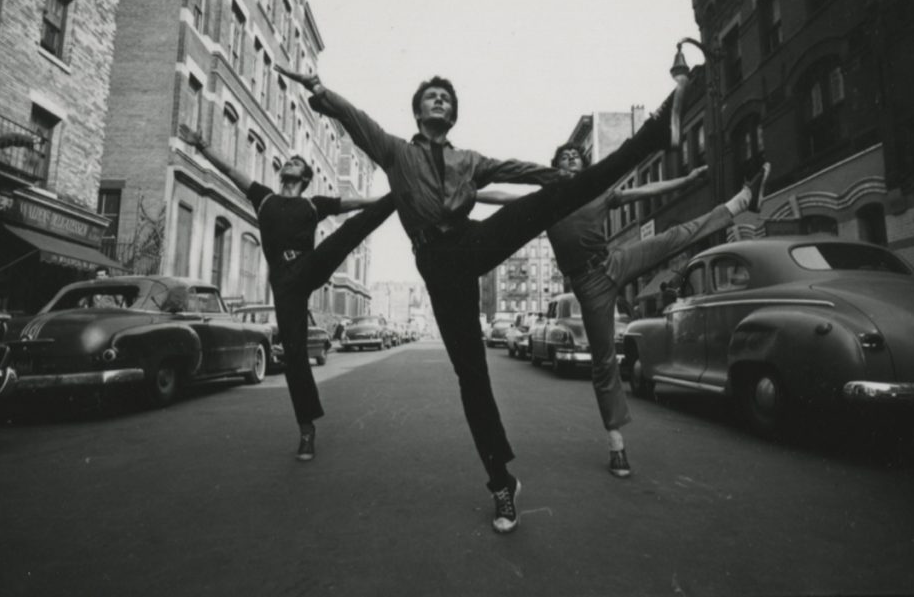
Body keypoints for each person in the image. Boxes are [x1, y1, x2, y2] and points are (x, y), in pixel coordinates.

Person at [276, 64, 679, 534]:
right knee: (472, 376)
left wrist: (560, 180)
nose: (440, 100)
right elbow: (356, 118)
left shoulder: (469, 159)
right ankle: (501, 482)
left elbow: (518, 169)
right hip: (439, 266)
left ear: (454, 113)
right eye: (432, 96)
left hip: (473, 242)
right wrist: (321, 91)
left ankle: (653, 134)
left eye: (446, 96)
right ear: (419, 109)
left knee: (552, 198)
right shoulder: (395, 152)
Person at [481, 155, 770, 478]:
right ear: (556, 167)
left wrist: (686, 181)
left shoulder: (600, 192)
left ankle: (743, 200)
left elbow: (645, 191)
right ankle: (616, 444)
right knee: (604, 360)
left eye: (577, 157)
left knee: (674, 237)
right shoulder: (548, 199)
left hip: (614, 262)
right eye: (565, 157)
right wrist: (468, 194)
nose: (571, 160)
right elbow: (506, 198)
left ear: (584, 167)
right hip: (589, 284)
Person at [180, 124, 395, 462]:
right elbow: (232, 171)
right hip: (284, 283)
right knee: (295, 355)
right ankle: (306, 429)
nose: (292, 162)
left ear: (305, 176)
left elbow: (350, 202)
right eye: (290, 160)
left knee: (351, 231)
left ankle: (401, 196)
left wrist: (385, 199)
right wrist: (202, 145)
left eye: (297, 161)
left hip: (310, 265)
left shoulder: (313, 204)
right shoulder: (264, 197)